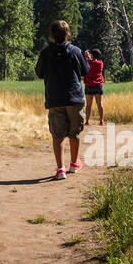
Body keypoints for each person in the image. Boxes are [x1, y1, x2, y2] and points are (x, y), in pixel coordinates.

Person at [34, 20, 90, 179]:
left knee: (57, 134)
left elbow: (39, 73)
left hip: (55, 99)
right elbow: (85, 71)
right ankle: (74, 163)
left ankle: (60, 169)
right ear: (68, 35)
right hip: (74, 99)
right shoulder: (75, 51)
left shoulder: (45, 53)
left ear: (51, 36)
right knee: (75, 133)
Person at [83, 48, 105, 125]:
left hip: (89, 86)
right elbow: (91, 61)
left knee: (88, 104)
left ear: (92, 55)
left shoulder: (87, 62)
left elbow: (85, 61)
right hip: (98, 86)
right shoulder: (100, 63)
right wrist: (88, 56)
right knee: (100, 104)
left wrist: (86, 55)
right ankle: (101, 121)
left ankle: (87, 121)